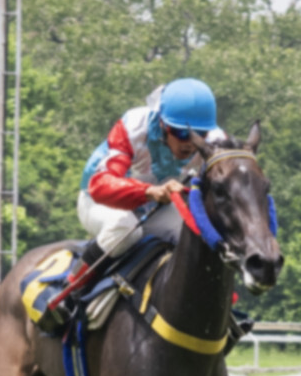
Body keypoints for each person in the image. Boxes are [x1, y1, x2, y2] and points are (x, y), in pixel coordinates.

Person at [37, 78, 217, 331]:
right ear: (163, 124)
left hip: (155, 207)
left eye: (200, 134)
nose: (190, 142)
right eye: (182, 132)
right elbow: (100, 186)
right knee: (125, 227)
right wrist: (151, 191)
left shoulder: (215, 142)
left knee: (194, 235)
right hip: (100, 202)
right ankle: (69, 294)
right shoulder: (134, 126)